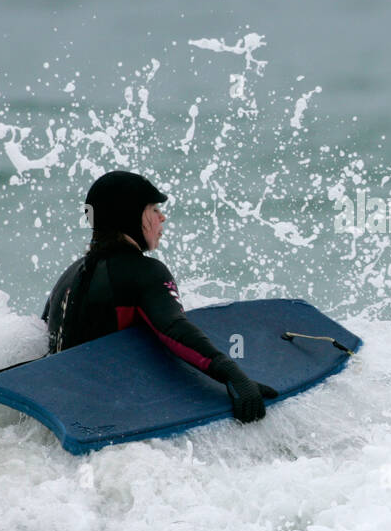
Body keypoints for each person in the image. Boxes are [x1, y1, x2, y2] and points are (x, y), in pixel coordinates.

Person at [40, 170, 276, 422]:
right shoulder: (144, 272)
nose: (162, 217)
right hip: (111, 412)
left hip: (62, 403)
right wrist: (234, 375)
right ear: (130, 215)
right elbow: (174, 330)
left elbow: (46, 334)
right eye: (153, 209)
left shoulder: (69, 275)